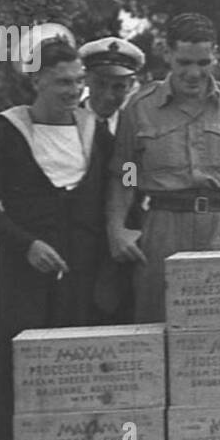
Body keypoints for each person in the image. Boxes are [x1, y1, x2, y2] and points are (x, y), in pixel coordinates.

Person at [0, 30, 112, 440]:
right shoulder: (6, 132)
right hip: (26, 278)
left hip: (83, 280)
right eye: (61, 82)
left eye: (77, 82)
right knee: (14, 381)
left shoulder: (98, 130)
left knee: (79, 383)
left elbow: (126, 179)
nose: (72, 91)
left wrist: (126, 222)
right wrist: (23, 242)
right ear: (35, 81)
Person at [107, 13, 220, 323]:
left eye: (203, 63)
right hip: (163, 228)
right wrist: (117, 228)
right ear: (167, 55)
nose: (194, 73)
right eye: (184, 62)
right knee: (156, 324)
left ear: (214, 54)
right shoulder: (141, 107)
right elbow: (127, 174)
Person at [79, 37, 146, 323]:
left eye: (118, 86)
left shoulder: (139, 129)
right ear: (86, 81)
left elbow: (132, 179)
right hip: (78, 249)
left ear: (131, 86)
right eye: (100, 83)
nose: (108, 94)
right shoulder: (67, 121)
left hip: (124, 250)